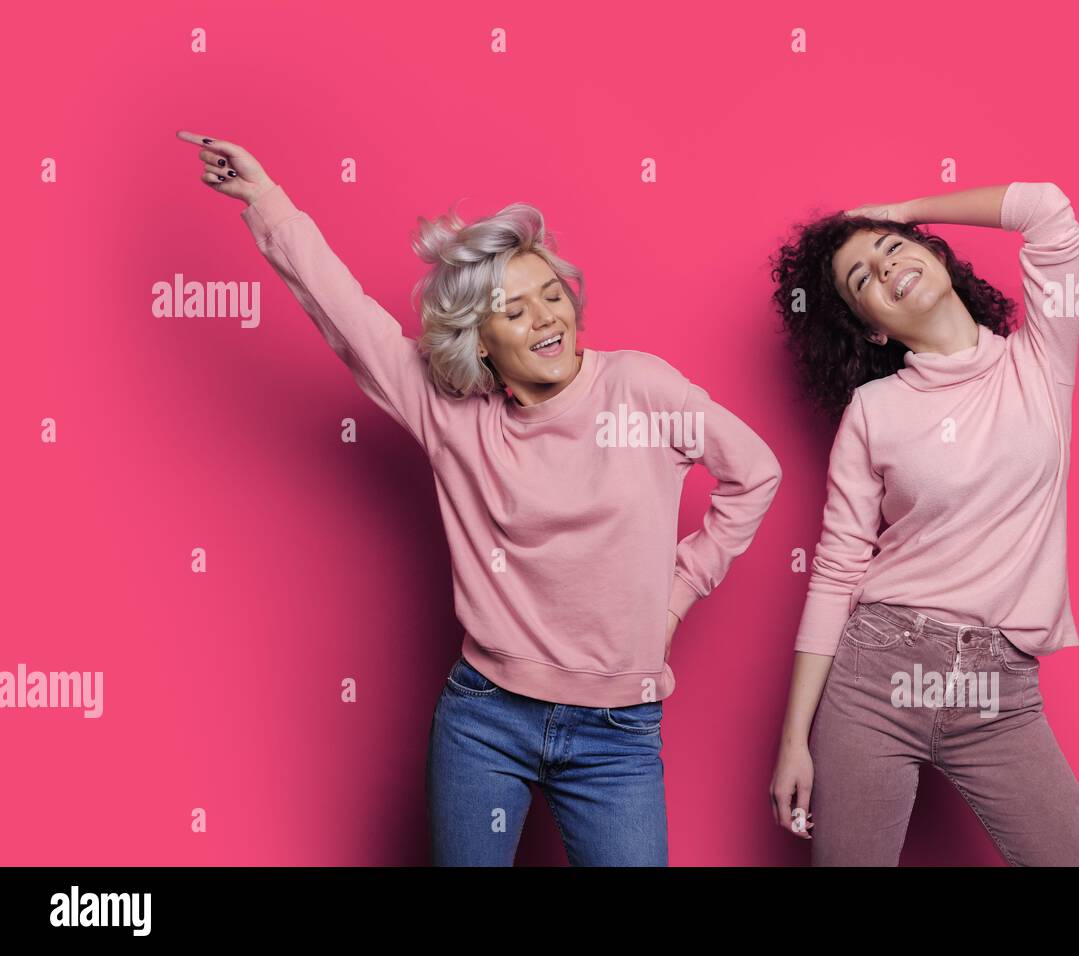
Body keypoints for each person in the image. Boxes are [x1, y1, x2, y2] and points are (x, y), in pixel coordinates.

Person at [175, 130, 782, 866]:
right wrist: (265, 199)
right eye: (515, 310)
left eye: (552, 295)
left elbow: (756, 471)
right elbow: (344, 313)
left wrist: (680, 591)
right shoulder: (451, 414)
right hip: (486, 718)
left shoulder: (641, 390)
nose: (547, 318)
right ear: (480, 340)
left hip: (618, 734)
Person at [767, 180, 1079, 866]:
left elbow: (1047, 211)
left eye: (894, 249)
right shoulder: (873, 411)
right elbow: (836, 571)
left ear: (937, 255)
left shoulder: (1039, 363)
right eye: (863, 278)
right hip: (875, 677)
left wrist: (901, 212)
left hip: (997, 691)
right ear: (872, 328)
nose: (887, 266)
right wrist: (793, 741)